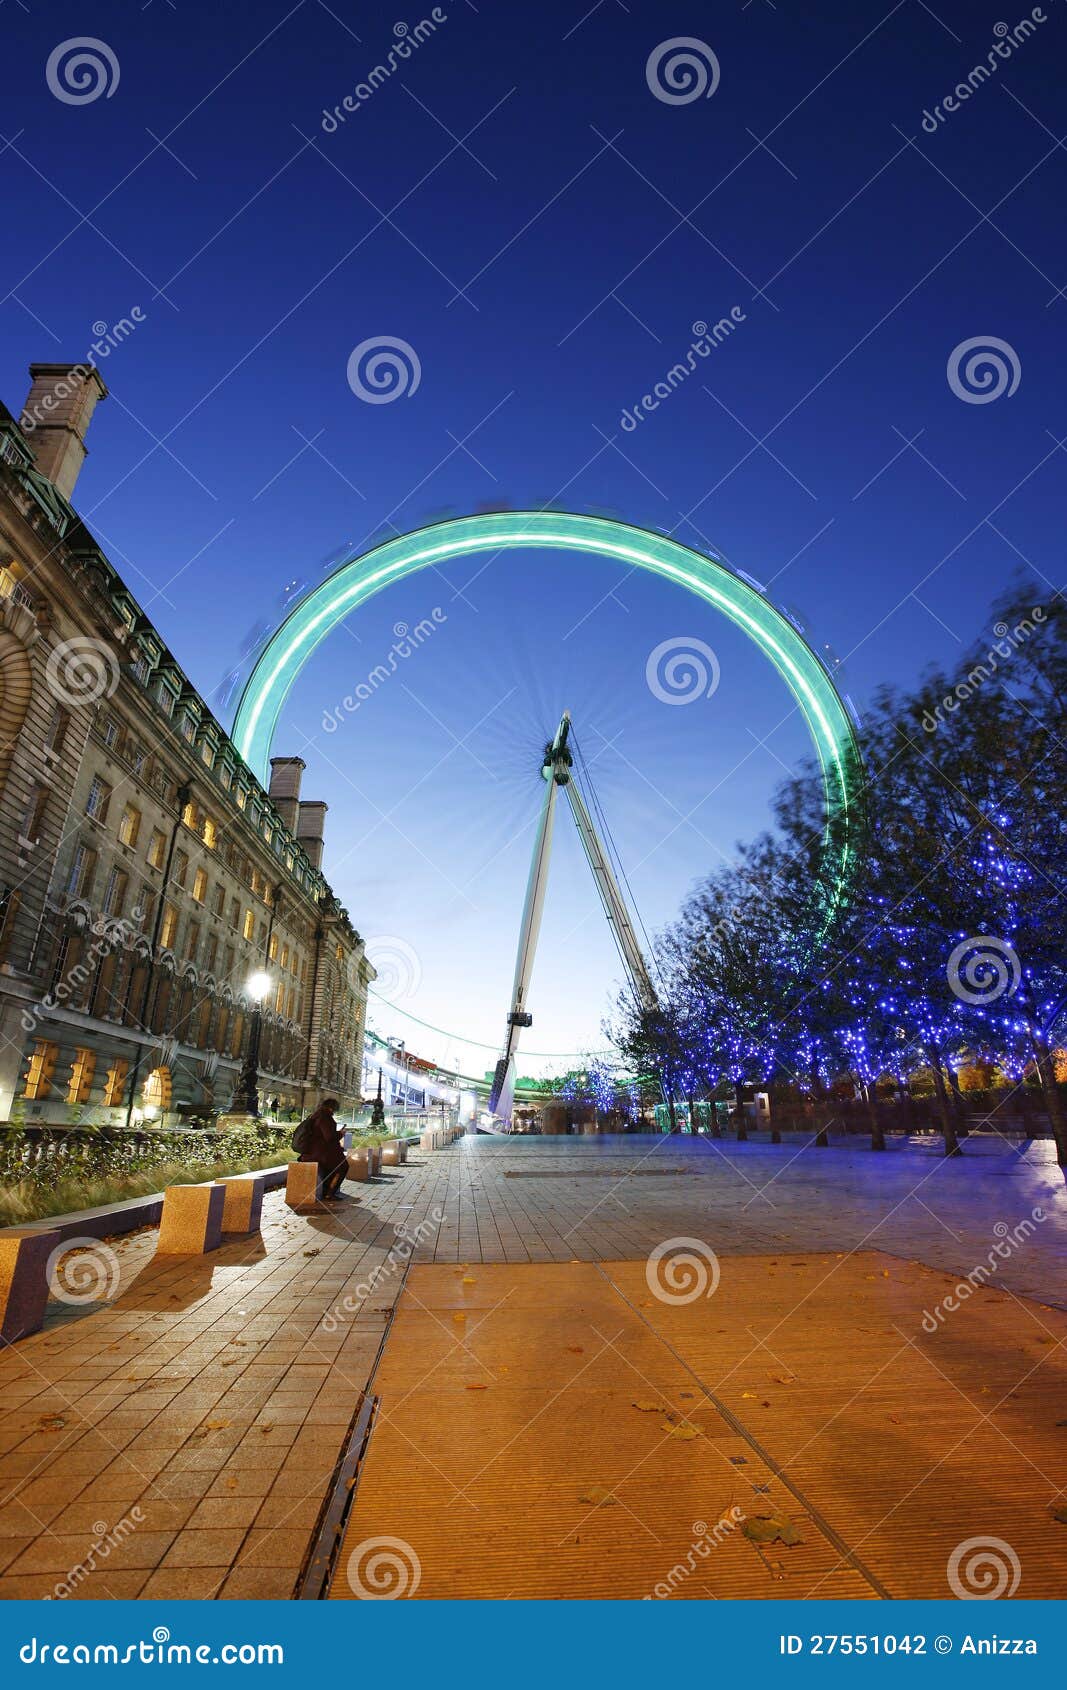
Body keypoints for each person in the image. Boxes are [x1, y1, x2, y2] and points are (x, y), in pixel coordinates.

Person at [297, 1097, 348, 1200]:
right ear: (332, 1108)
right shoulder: (325, 1117)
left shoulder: (316, 1115)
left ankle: (326, 1190)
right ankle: (330, 1193)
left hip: (313, 1151)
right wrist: (341, 1134)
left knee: (333, 1167)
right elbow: (329, 1137)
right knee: (343, 1166)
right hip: (320, 1153)